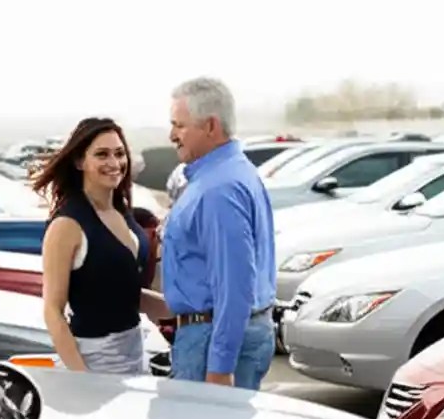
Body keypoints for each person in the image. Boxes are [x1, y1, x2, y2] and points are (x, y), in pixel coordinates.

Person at [161, 77, 277, 390]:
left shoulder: (219, 189)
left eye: (179, 125)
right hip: (220, 334)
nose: (172, 135)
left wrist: (220, 368)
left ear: (211, 126)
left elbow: (235, 282)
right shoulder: (229, 173)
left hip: (211, 342)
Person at [34, 117, 171, 375]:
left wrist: (192, 311)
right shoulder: (67, 224)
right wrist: (83, 378)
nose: (114, 163)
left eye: (119, 153)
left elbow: (124, 292)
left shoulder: (122, 212)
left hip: (135, 351)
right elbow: (53, 311)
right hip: (94, 361)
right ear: (79, 162)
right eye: (102, 154)